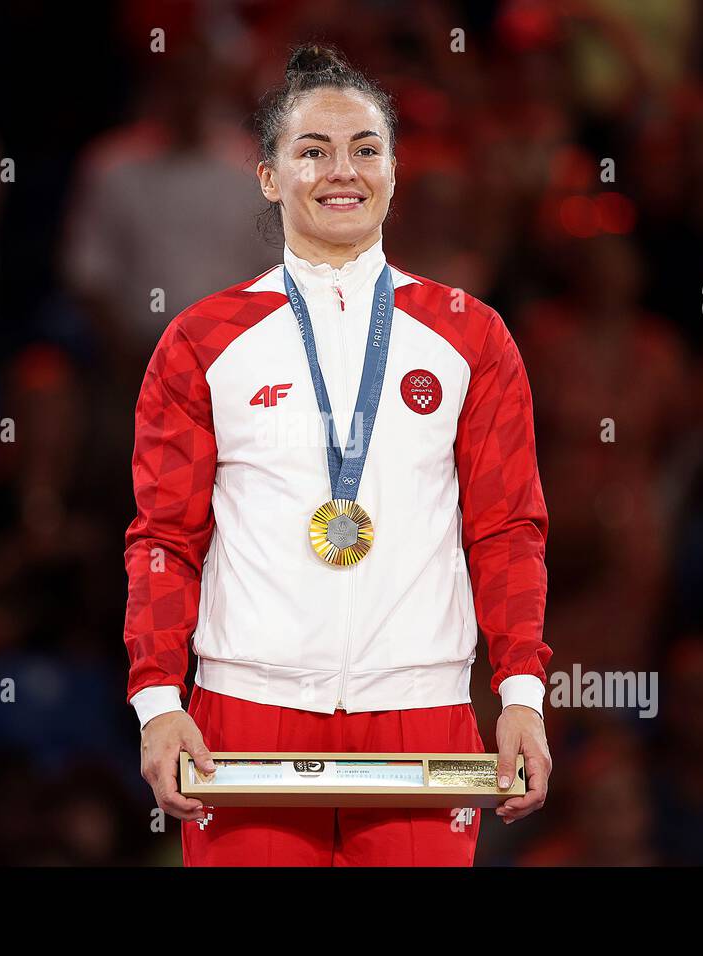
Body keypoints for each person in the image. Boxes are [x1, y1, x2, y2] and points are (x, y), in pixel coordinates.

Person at [123, 43, 552, 866]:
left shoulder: (471, 335)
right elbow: (163, 538)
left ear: (395, 169)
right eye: (311, 151)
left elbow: (507, 529)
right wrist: (156, 701)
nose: (340, 171)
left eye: (365, 149)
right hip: (243, 710)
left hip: (420, 708)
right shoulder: (202, 341)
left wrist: (522, 694)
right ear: (267, 175)